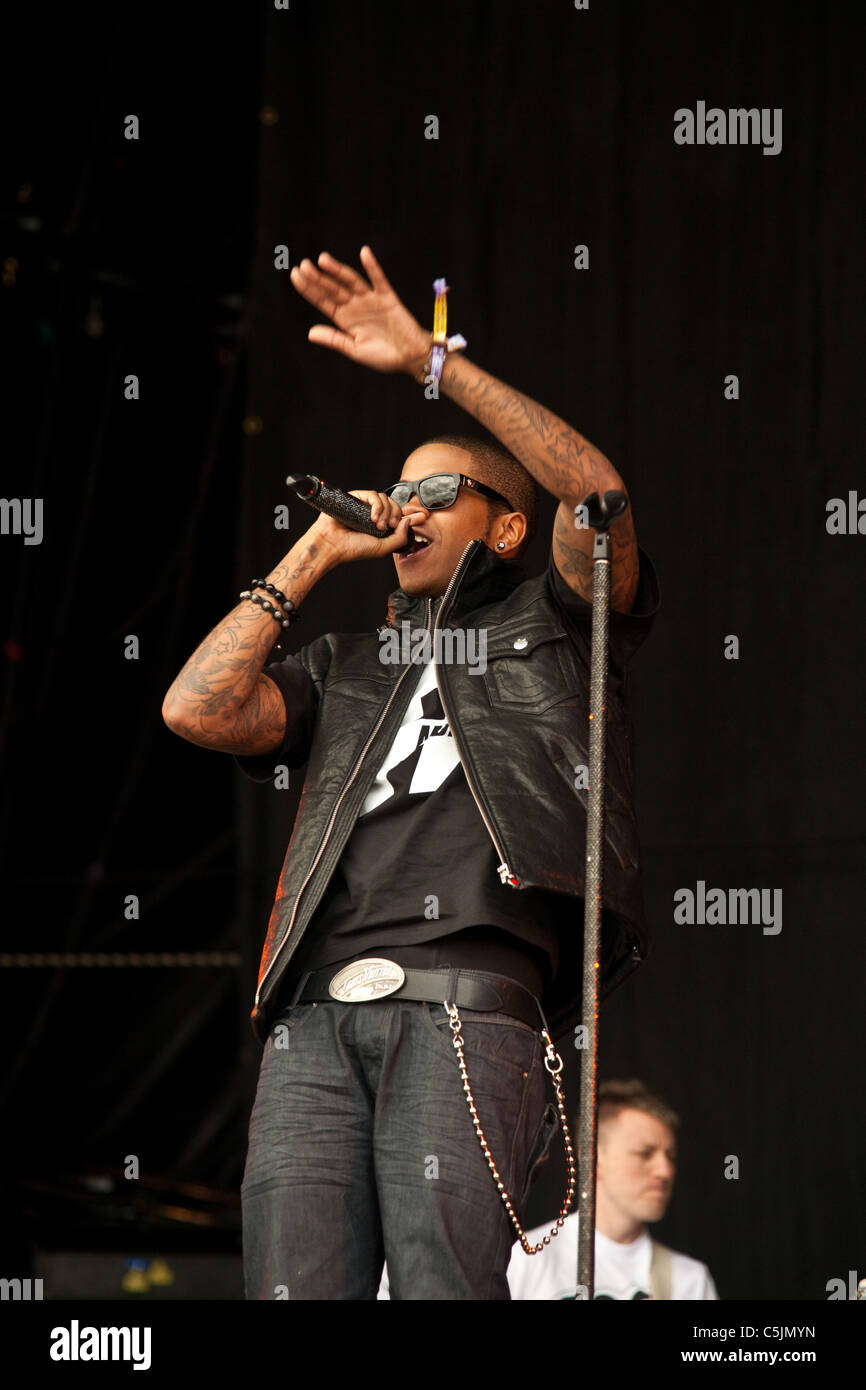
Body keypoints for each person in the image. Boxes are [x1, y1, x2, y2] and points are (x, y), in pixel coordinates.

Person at [162, 246, 660, 1300]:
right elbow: (194, 708)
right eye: (395, 490)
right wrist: (314, 552)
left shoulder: (554, 627)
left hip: (463, 1011)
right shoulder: (343, 669)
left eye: (436, 488)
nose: (405, 506)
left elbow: (600, 498)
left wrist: (432, 366)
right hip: (309, 1025)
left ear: (508, 524)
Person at [507, 1079, 719, 1300]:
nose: (665, 1171)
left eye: (670, 1157)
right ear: (593, 1158)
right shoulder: (526, 1260)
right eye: (645, 1154)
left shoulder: (689, 1280)